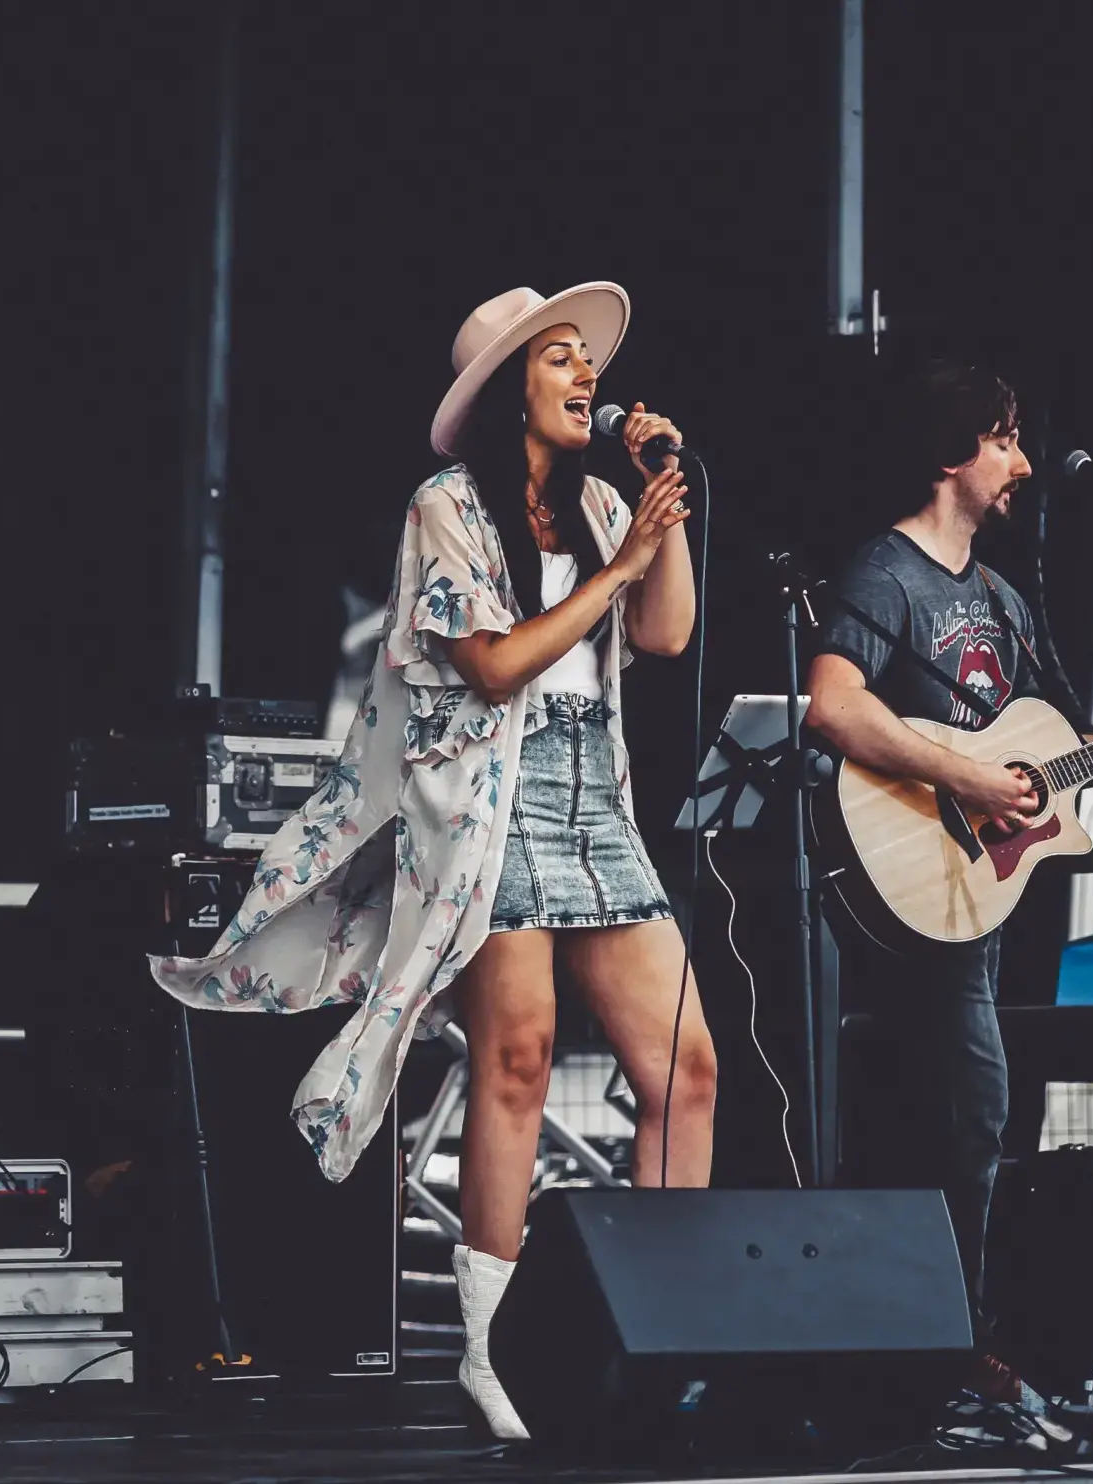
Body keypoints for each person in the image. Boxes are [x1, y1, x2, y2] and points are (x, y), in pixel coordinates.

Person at [153, 284, 715, 1439]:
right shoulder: (445, 506)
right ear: (513, 384)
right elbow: (495, 667)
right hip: (486, 794)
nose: (584, 376)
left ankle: (672, 1325)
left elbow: (663, 636)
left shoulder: (609, 502)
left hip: (591, 789)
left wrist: (663, 518)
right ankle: (490, 1347)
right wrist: (620, 569)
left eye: (586, 360)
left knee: (687, 1065)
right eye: (558, 358)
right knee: (516, 1055)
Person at [806, 360, 1093, 1393]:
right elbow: (830, 703)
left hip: (970, 899)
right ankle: (941, 1349)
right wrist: (964, 771)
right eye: (1003, 439)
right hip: (901, 875)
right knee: (962, 1110)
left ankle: (947, 1343)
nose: (1024, 463)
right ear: (948, 454)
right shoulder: (886, 570)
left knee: (965, 1116)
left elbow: (1055, 749)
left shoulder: (1000, 596)